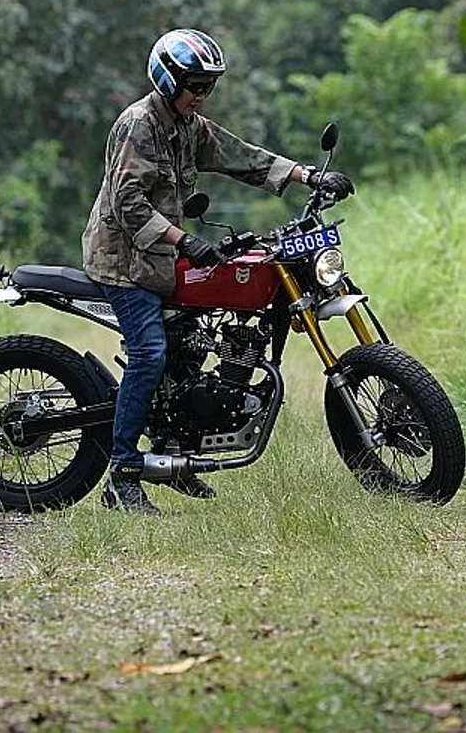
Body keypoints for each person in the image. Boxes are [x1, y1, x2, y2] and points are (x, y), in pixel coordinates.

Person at [81, 27, 353, 515]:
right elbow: (128, 205)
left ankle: (173, 455)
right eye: (196, 87)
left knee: (188, 344)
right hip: (123, 261)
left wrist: (309, 176)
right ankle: (121, 475)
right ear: (169, 81)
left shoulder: (188, 124)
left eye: (209, 87)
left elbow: (241, 156)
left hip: (161, 256)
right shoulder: (138, 125)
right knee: (150, 352)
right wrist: (184, 240)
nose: (203, 96)